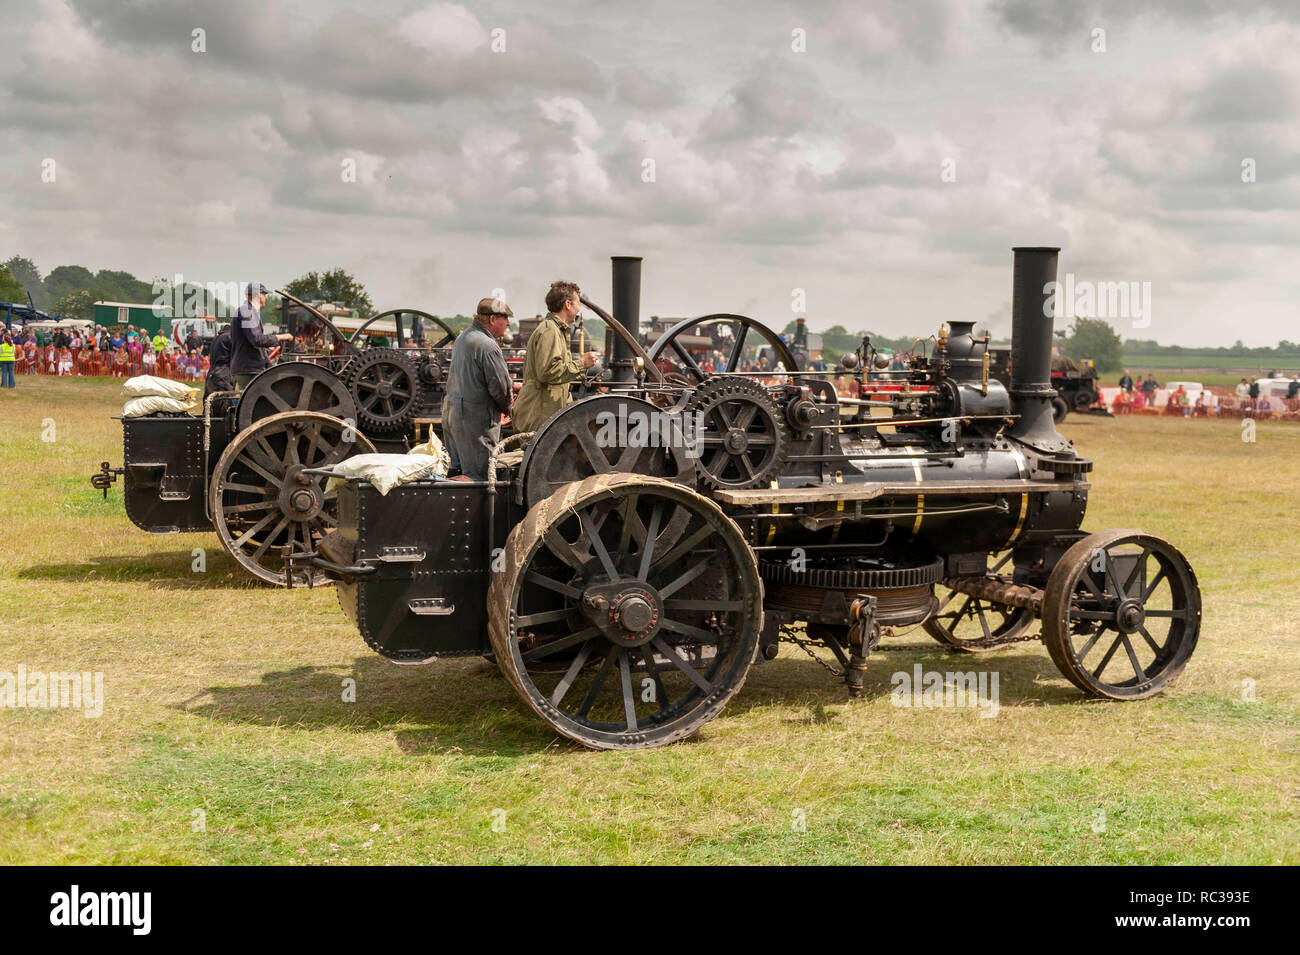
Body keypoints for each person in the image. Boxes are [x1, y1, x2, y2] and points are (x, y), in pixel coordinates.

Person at [442, 297, 515, 481]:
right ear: (492, 320)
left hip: (453, 416)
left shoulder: (463, 338)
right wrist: (512, 410)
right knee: (479, 479)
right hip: (476, 423)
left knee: (458, 473)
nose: (507, 323)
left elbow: (473, 377)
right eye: (505, 318)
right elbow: (501, 389)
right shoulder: (488, 346)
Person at [510, 280, 598, 434]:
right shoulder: (550, 331)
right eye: (577, 304)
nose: (579, 309)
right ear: (568, 305)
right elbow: (548, 372)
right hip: (539, 414)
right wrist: (582, 364)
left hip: (545, 412)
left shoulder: (554, 329)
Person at [231, 282, 292, 389]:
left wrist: (268, 358)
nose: (266, 298)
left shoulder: (248, 310)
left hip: (248, 367)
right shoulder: (248, 311)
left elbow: (252, 342)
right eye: (264, 295)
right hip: (249, 368)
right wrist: (280, 337)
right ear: (258, 295)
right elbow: (256, 339)